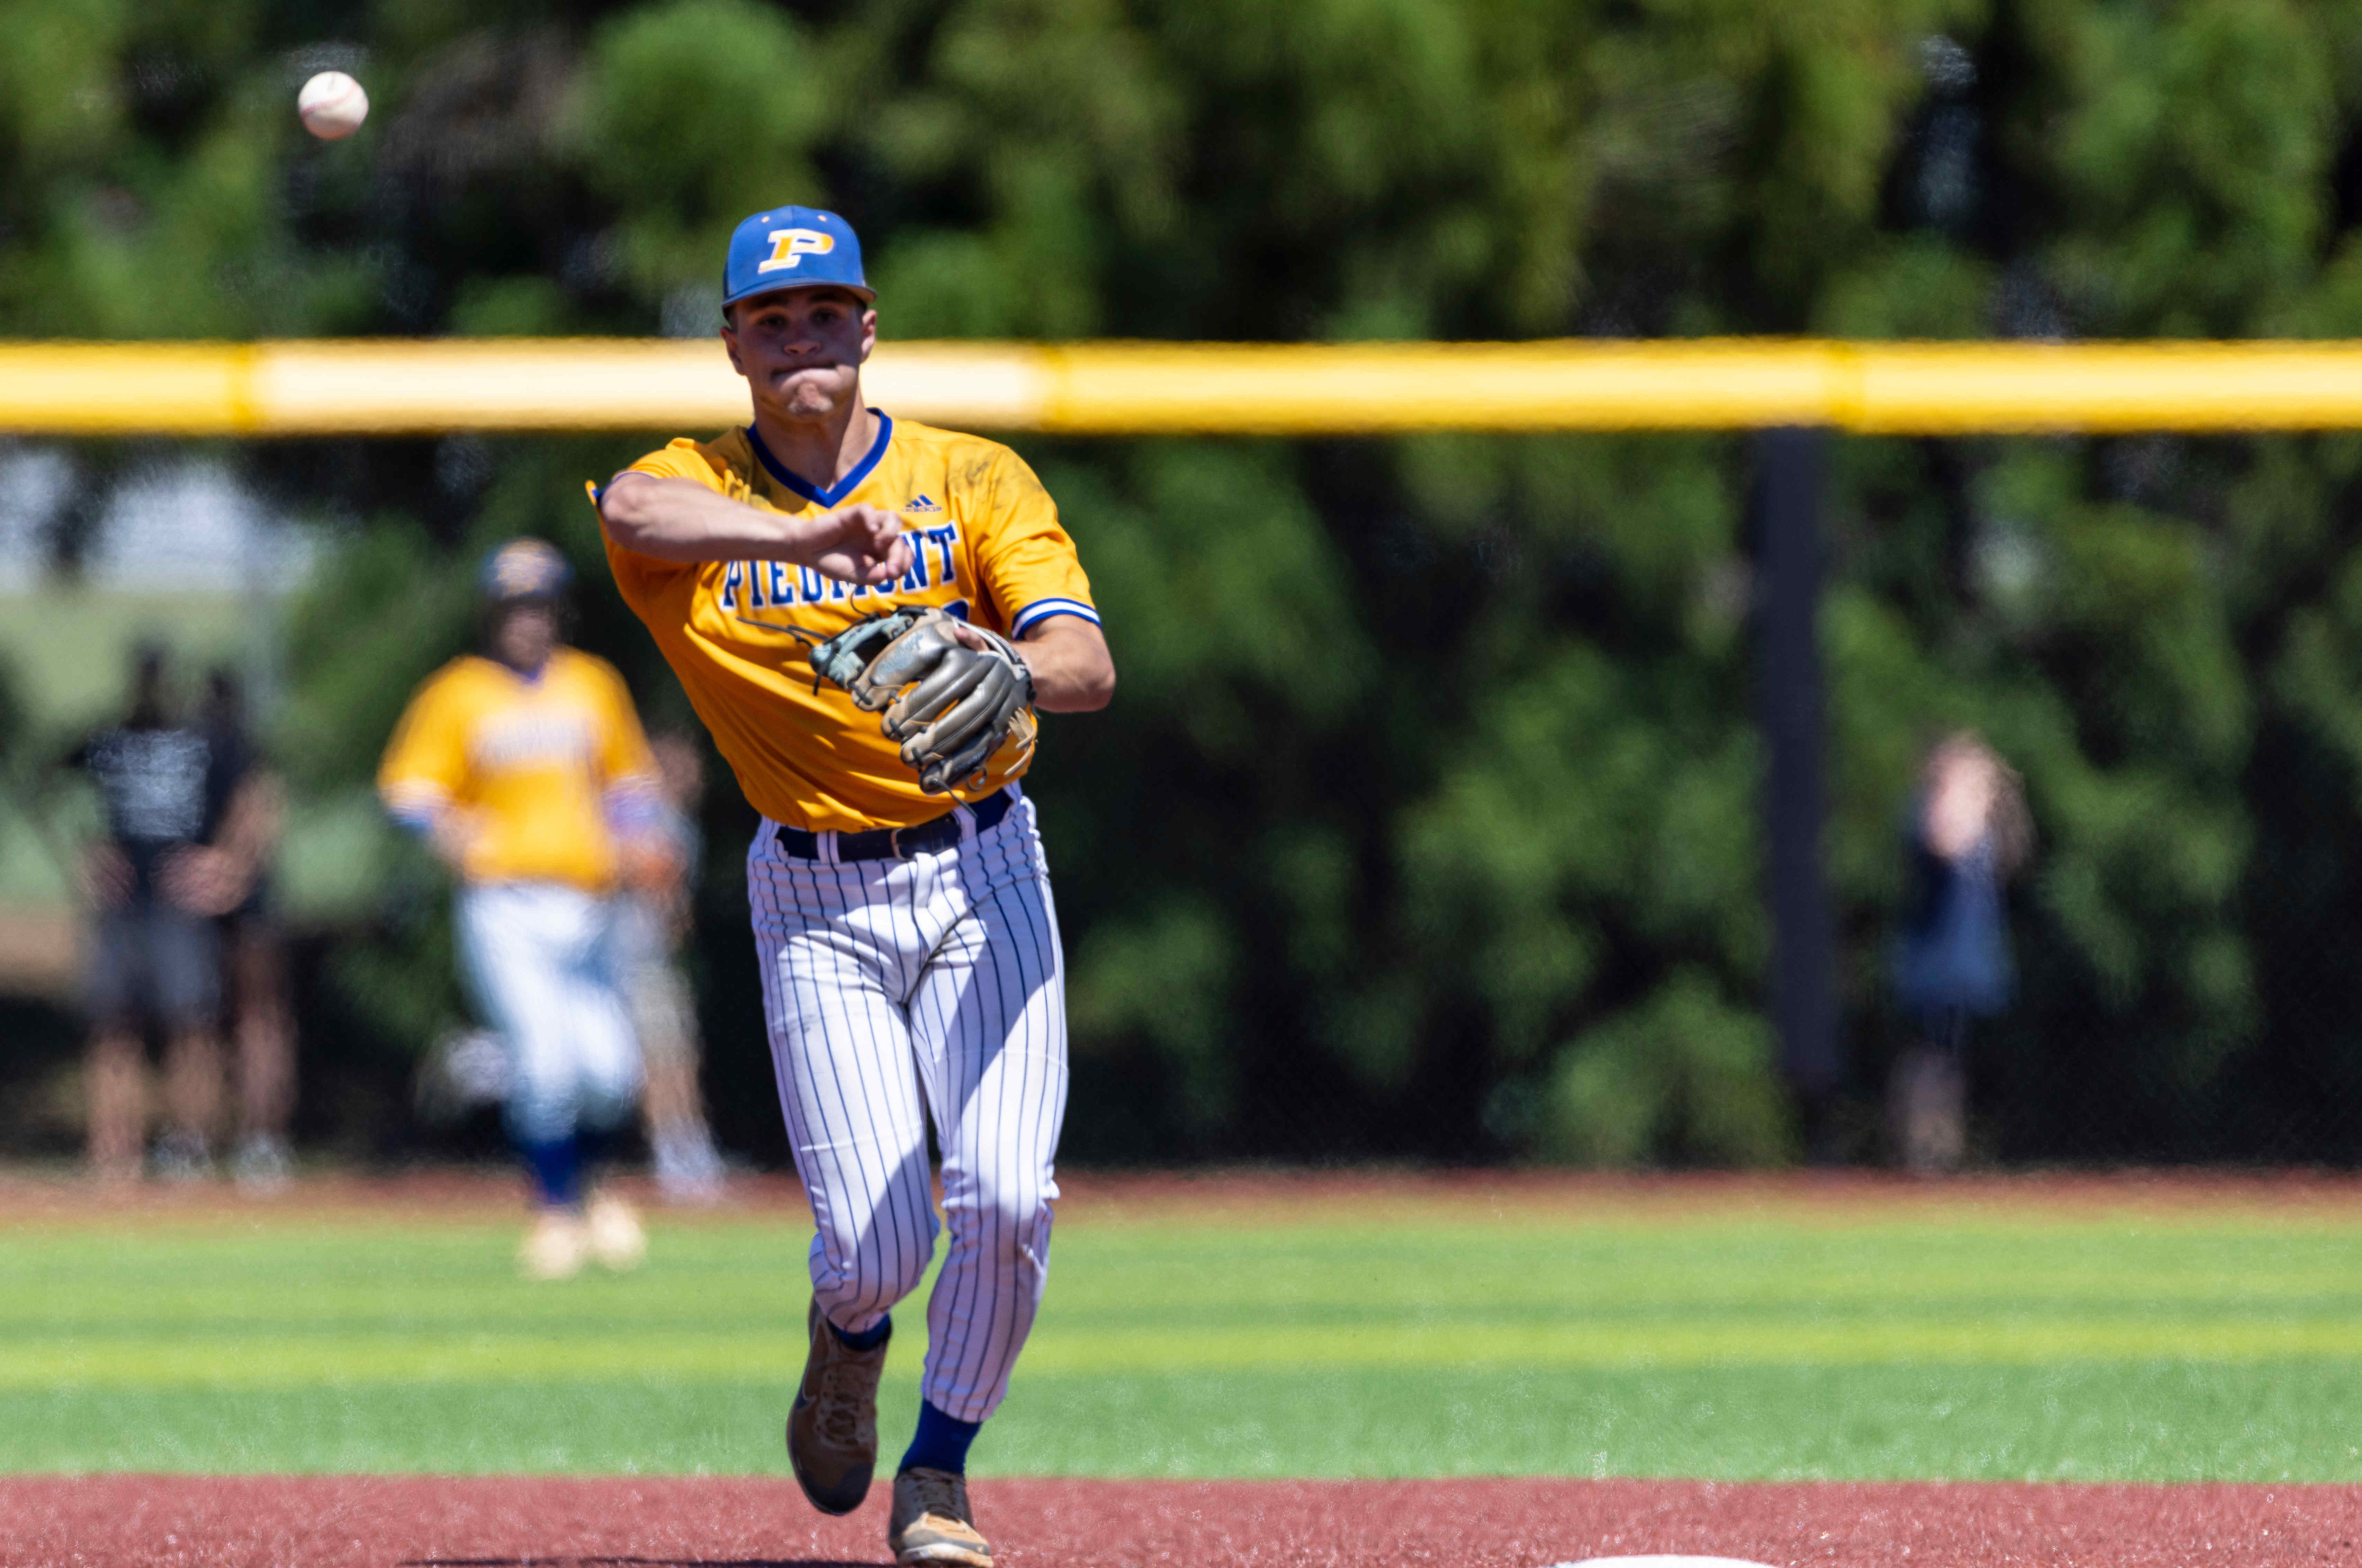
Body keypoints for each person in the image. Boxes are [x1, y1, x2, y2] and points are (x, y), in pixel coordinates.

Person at [593, 204, 1114, 1568]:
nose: (800, 337)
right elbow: (631, 508)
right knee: (877, 1248)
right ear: (733, 346)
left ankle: (938, 1467)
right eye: (770, 320)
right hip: (813, 899)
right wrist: (818, 540)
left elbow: (1083, 663)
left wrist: (1006, 668)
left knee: (1004, 1196)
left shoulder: (971, 478)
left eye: (824, 311)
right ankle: (849, 1336)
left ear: (868, 326)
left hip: (981, 864)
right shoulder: (685, 490)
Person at [378, 539, 663, 1279]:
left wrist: (638, 839)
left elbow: (630, 782)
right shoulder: (459, 691)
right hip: (504, 901)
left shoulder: (592, 684)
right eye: (513, 607)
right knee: (542, 1062)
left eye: (538, 606)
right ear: (491, 615)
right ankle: (553, 1209)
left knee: (608, 1069)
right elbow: (407, 789)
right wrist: (445, 828)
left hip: (592, 901)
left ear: (557, 612)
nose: (526, 621)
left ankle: (594, 1190)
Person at [66, 643, 244, 1183]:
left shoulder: (201, 743)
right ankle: (113, 1151)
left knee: (193, 1025)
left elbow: (255, 795)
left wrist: (229, 863)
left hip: (179, 903)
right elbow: (47, 783)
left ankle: (190, 1147)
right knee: (111, 1027)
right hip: (123, 905)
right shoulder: (108, 742)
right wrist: (84, 851)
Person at [1888, 730, 2032, 1172]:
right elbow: (1941, 844)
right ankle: (1926, 1157)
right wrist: (1953, 800)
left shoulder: (1990, 832)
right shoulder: (1925, 818)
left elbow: (2017, 854)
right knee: (1932, 1064)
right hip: (1932, 969)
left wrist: (1986, 800)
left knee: (1963, 1065)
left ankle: (1959, 1154)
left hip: (1974, 970)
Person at [187, 667, 298, 1191]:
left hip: (248, 904)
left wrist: (230, 867)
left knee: (258, 1021)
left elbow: (262, 809)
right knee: (203, 1021)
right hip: (200, 900)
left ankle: (263, 1140)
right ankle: (201, 1139)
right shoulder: (195, 752)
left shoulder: (244, 751)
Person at [619, 731, 728, 1202]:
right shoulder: (640, 816)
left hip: (659, 957)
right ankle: (674, 1156)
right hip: (631, 956)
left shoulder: (684, 824)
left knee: (681, 1055)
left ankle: (690, 1147)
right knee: (659, 1060)